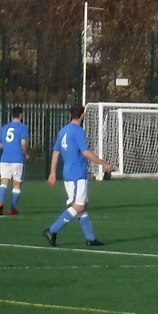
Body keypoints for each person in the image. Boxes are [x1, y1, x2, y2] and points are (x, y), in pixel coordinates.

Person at [43, 104, 114, 247]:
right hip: (77, 174)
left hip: (69, 173)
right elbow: (85, 152)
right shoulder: (78, 131)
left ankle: (91, 238)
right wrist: (104, 164)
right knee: (79, 207)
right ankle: (52, 230)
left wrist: (52, 172)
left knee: (83, 206)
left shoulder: (63, 130)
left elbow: (56, 152)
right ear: (82, 115)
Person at [0, 107, 28, 216]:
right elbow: (23, 142)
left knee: (4, 181)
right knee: (17, 183)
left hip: (5, 158)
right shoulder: (23, 127)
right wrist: (26, 153)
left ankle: (0, 203)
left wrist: (6, 147)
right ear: (20, 115)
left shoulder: (4, 127)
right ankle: (13, 208)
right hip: (17, 158)